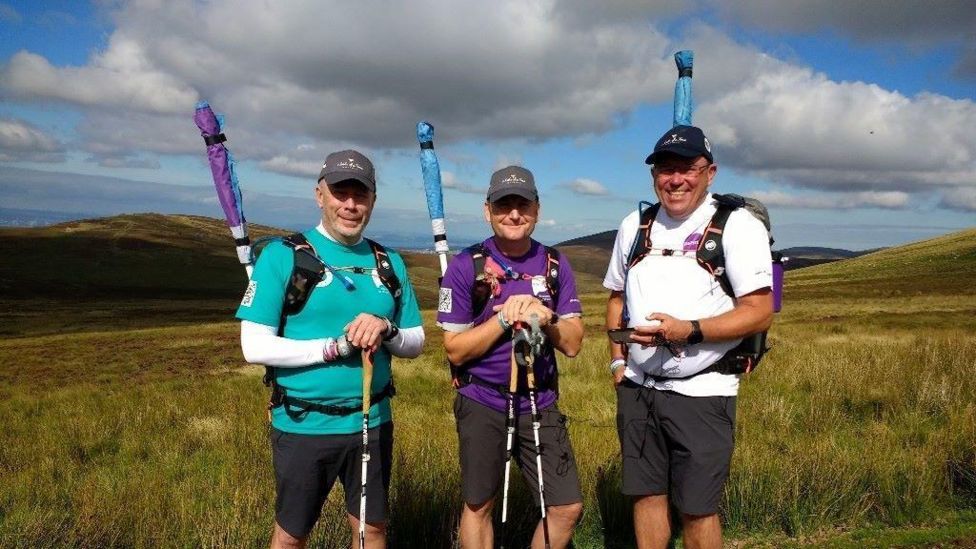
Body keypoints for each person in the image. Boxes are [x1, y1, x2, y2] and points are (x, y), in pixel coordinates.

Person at [236, 149, 424, 549]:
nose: (350, 204)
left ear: (373, 200)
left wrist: (387, 328)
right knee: (291, 536)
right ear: (319, 195)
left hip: (372, 421)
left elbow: (415, 342)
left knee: (371, 530)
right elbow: (253, 346)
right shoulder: (281, 256)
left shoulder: (389, 262)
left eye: (361, 194)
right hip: (304, 424)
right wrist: (335, 348)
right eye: (340, 192)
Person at [603, 126, 773, 549]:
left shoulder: (738, 226)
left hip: (704, 392)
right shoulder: (635, 224)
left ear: (709, 173)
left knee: (698, 508)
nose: (675, 179)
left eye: (688, 168)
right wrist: (619, 362)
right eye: (666, 169)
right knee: (646, 496)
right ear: (653, 175)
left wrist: (691, 330)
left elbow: (758, 311)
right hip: (638, 388)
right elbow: (616, 296)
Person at [437, 166, 585, 549]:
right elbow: (455, 348)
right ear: (487, 210)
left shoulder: (555, 264)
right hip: (482, 399)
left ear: (537, 209)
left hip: (540, 399)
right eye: (504, 205)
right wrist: (504, 319)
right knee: (479, 505)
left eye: (523, 205)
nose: (514, 214)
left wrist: (547, 317)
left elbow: (572, 344)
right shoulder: (465, 265)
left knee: (566, 507)